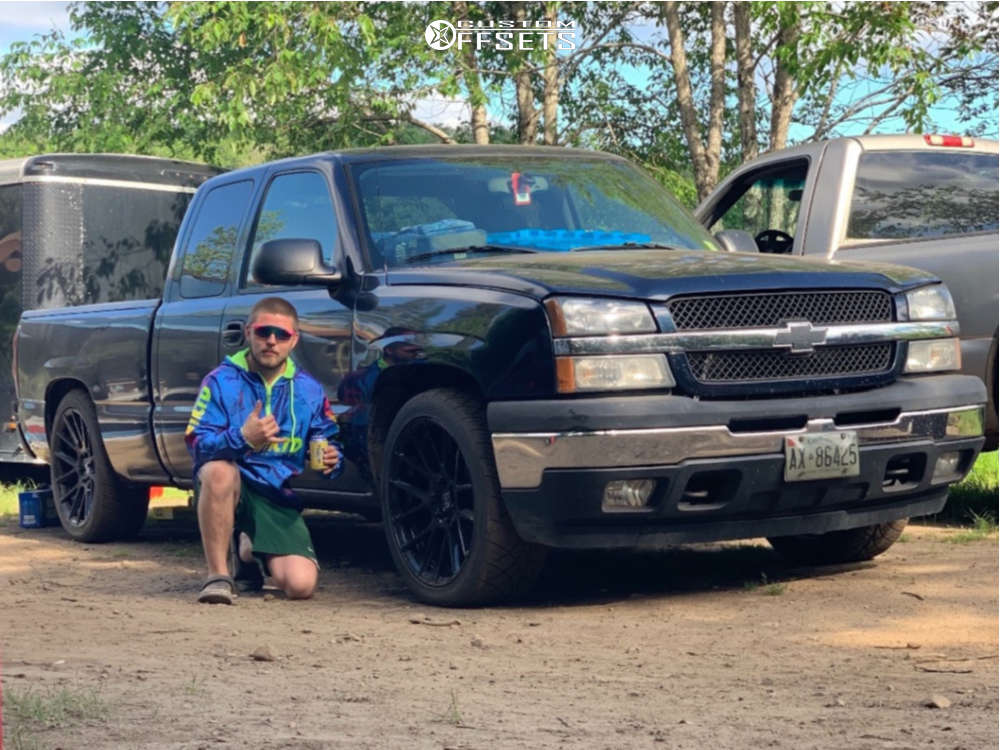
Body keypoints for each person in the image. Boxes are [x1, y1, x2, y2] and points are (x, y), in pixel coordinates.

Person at [185, 297, 342, 604]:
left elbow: (327, 436)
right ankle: (218, 576)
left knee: (300, 586)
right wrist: (243, 438)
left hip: (274, 494)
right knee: (218, 470)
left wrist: (332, 460)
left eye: (281, 334)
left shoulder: (308, 391)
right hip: (231, 487)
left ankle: (246, 551)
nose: (271, 341)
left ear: (294, 340)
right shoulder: (220, 381)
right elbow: (197, 445)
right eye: (263, 332)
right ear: (248, 333)